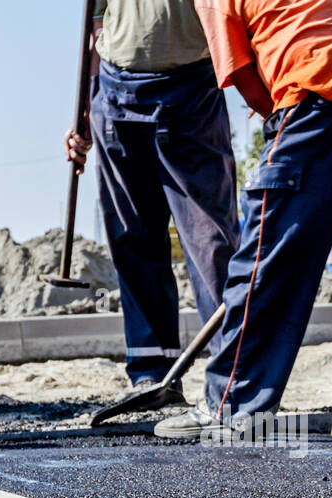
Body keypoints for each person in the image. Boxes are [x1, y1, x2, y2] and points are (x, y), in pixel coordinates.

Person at [156, 0, 332, 441]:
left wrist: (293, 132)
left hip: (321, 85)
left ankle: (234, 405)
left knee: (270, 258)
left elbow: (244, 76)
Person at [64, 0, 241, 405]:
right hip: (116, 90)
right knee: (132, 238)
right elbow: (95, 27)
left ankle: (234, 371)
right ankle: (151, 372)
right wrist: (84, 110)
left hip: (192, 88)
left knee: (211, 243)